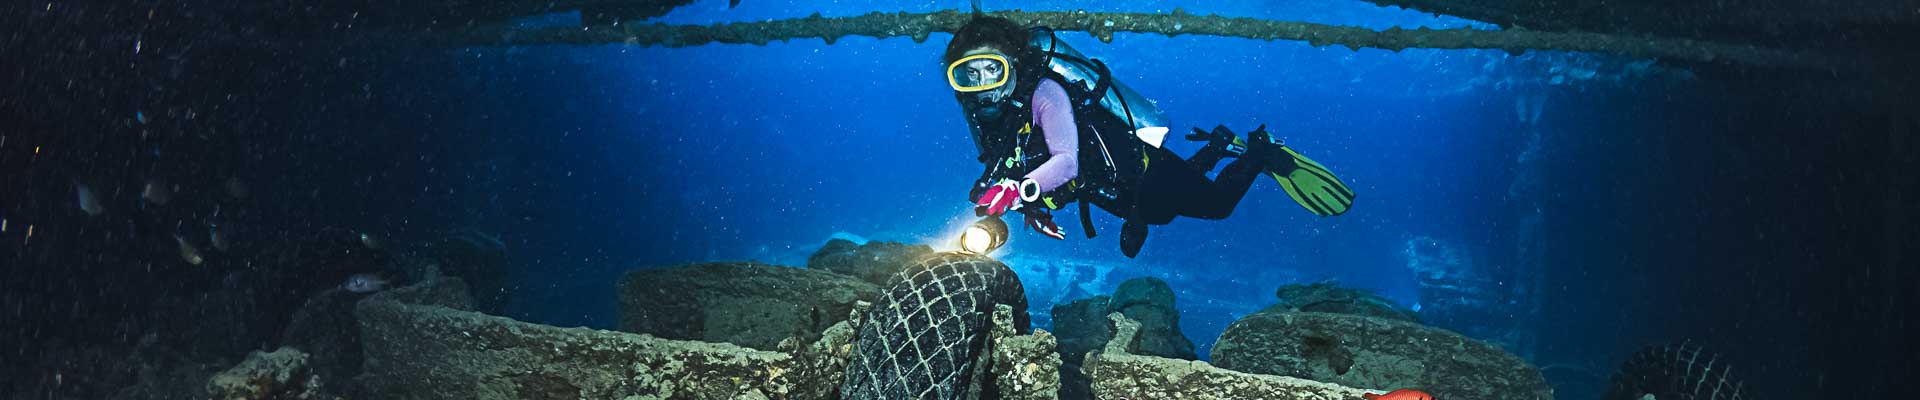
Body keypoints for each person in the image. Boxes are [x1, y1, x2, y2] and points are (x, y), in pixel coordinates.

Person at [947, 15, 1356, 257]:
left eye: (993, 69)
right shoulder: (989, 118)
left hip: (1146, 171)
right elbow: (1010, 164)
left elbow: (1066, 161)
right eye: (969, 75)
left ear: (1014, 63)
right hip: (1112, 188)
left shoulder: (1046, 93)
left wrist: (1021, 193)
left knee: (1215, 206)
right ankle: (1215, 148)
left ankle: (1260, 154)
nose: (985, 86)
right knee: (1160, 212)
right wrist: (1033, 209)